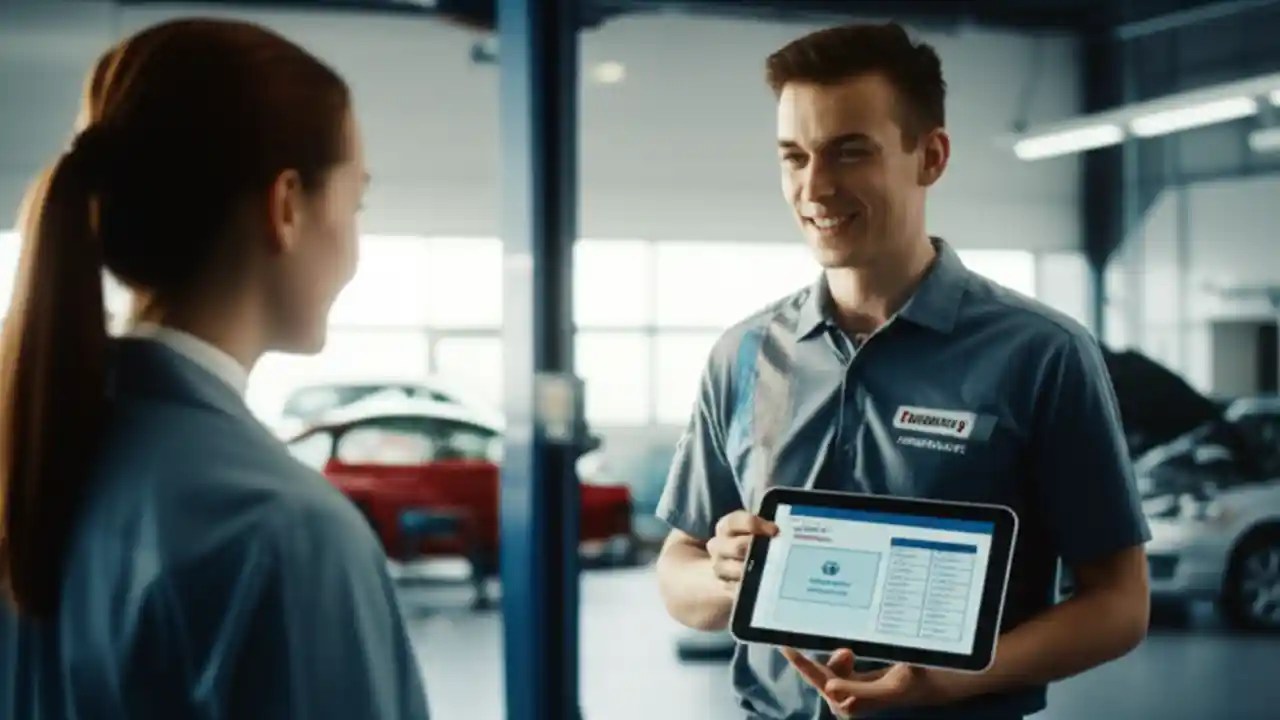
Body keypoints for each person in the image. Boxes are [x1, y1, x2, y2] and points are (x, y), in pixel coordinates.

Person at [654, 22, 1151, 720]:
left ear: (932, 156)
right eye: (793, 157)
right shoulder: (741, 355)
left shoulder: (1042, 356)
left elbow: (1119, 604)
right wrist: (725, 575)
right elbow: (678, 570)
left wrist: (952, 680)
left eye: (848, 152)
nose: (814, 187)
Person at [0, 18, 430, 720]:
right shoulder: (285, 531)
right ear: (286, 206)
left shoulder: (38, 461)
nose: (355, 249)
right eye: (356, 204)